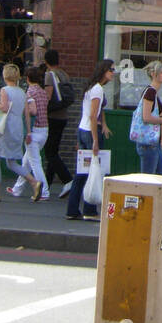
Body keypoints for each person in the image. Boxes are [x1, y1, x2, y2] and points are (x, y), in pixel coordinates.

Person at [66, 60, 114, 220]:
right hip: (90, 131)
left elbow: (98, 112)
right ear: (103, 71)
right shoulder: (98, 90)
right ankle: (89, 209)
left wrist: (104, 124)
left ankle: (73, 209)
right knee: (94, 169)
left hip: (83, 129)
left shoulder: (92, 88)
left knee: (83, 171)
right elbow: (93, 115)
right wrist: (95, 140)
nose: (113, 73)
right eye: (111, 70)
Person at [0, 64, 38, 202]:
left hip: (5, 128)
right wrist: (28, 132)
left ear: (5, 76)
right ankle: (33, 182)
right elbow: (27, 114)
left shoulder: (4, 90)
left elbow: (4, 108)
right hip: (17, 127)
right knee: (11, 162)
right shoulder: (22, 92)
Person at [42, 49, 73, 197]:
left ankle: (67, 180)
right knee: (53, 151)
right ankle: (46, 186)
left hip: (52, 116)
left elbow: (48, 96)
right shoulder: (64, 74)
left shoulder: (49, 75)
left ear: (46, 61)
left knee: (49, 152)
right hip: (63, 116)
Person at [18, 64, 51, 201]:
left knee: (35, 163)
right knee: (27, 160)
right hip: (45, 129)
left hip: (34, 130)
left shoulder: (30, 92)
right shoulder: (43, 92)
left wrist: (22, 109)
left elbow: (33, 111)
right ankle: (17, 188)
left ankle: (44, 191)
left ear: (27, 78)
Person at [134, 60, 162, 175]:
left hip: (154, 141)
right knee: (148, 178)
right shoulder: (150, 92)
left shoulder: (153, 92)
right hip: (148, 143)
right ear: (153, 74)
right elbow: (146, 117)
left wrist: (161, 140)